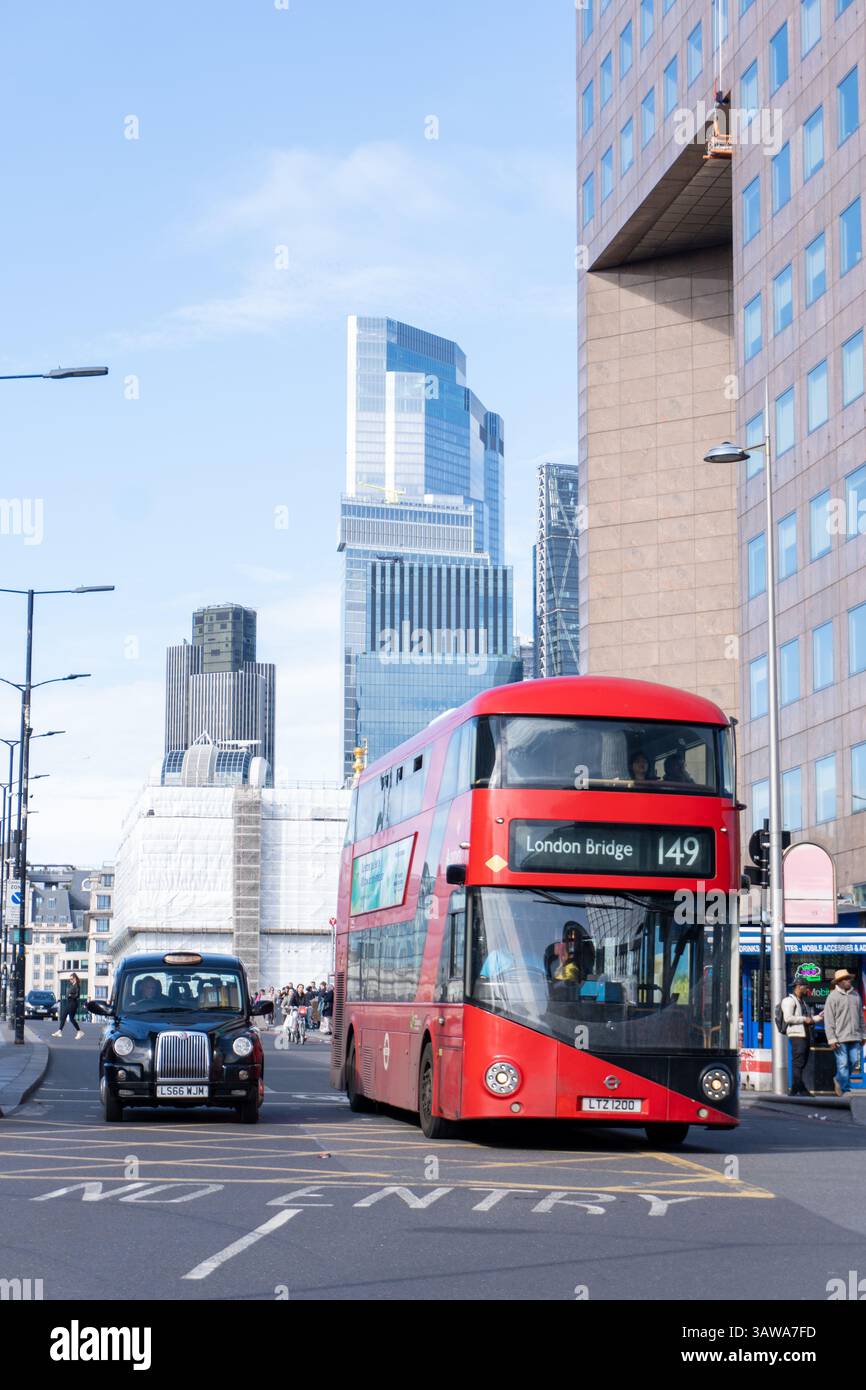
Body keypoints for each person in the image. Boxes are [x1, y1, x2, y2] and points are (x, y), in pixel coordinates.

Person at [823, 969, 866, 1096]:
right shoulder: (832, 997)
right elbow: (829, 1020)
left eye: (849, 978)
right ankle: (845, 1089)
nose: (849, 981)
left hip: (856, 1036)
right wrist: (831, 1039)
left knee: (853, 1062)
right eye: (846, 979)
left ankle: (838, 1079)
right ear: (839, 982)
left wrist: (864, 1035)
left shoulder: (856, 996)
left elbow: (861, 1018)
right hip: (839, 1038)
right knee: (843, 1064)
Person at [782, 977, 822, 1096]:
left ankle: (795, 1088)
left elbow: (808, 1020)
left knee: (802, 1062)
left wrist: (819, 1017)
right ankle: (800, 1089)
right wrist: (805, 1019)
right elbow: (788, 1018)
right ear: (800, 987)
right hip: (797, 1035)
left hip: (805, 1035)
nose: (807, 989)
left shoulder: (802, 1002)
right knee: (798, 1062)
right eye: (806, 986)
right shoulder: (789, 1001)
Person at [51, 973, 83, 1040]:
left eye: (71, 979)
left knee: (71, 1019)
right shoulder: (73, 985)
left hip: (73, 1004)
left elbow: (77, 995)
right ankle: (59, 1031)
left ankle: (79, 1031)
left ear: (74, 978)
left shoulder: (77, 985)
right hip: (69, 1003)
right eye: (70, 979)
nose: (70, 980)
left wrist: (70, 995)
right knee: (63, 1016)